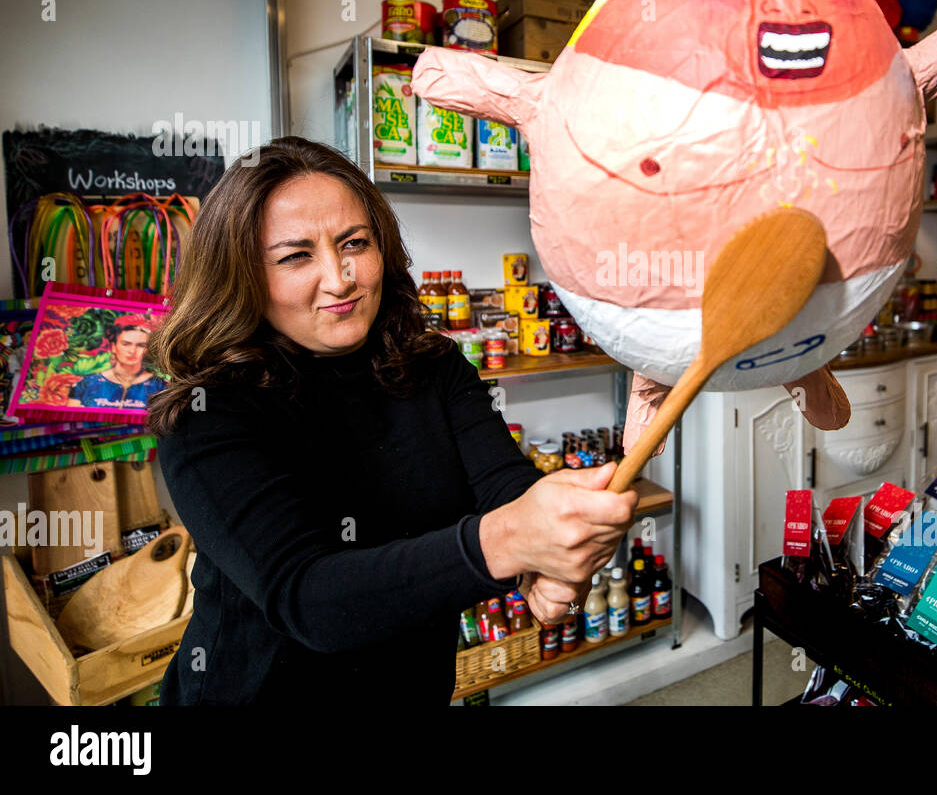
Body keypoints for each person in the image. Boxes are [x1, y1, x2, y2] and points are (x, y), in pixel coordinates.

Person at [146, 136, 636, 705]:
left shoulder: (432, 366)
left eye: (354, 243)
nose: (340, 278)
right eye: (295, 256)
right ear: (243, 276)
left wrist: (554, 553)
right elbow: (309, 596)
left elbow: (507, 488)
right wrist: (509, 542)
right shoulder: (208, 411)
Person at [66, 316, 166, 409]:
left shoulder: (161, 387)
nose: (132, 351)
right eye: (126, 344)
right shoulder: (86, 384)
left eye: (141, 345)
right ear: (114, 346)